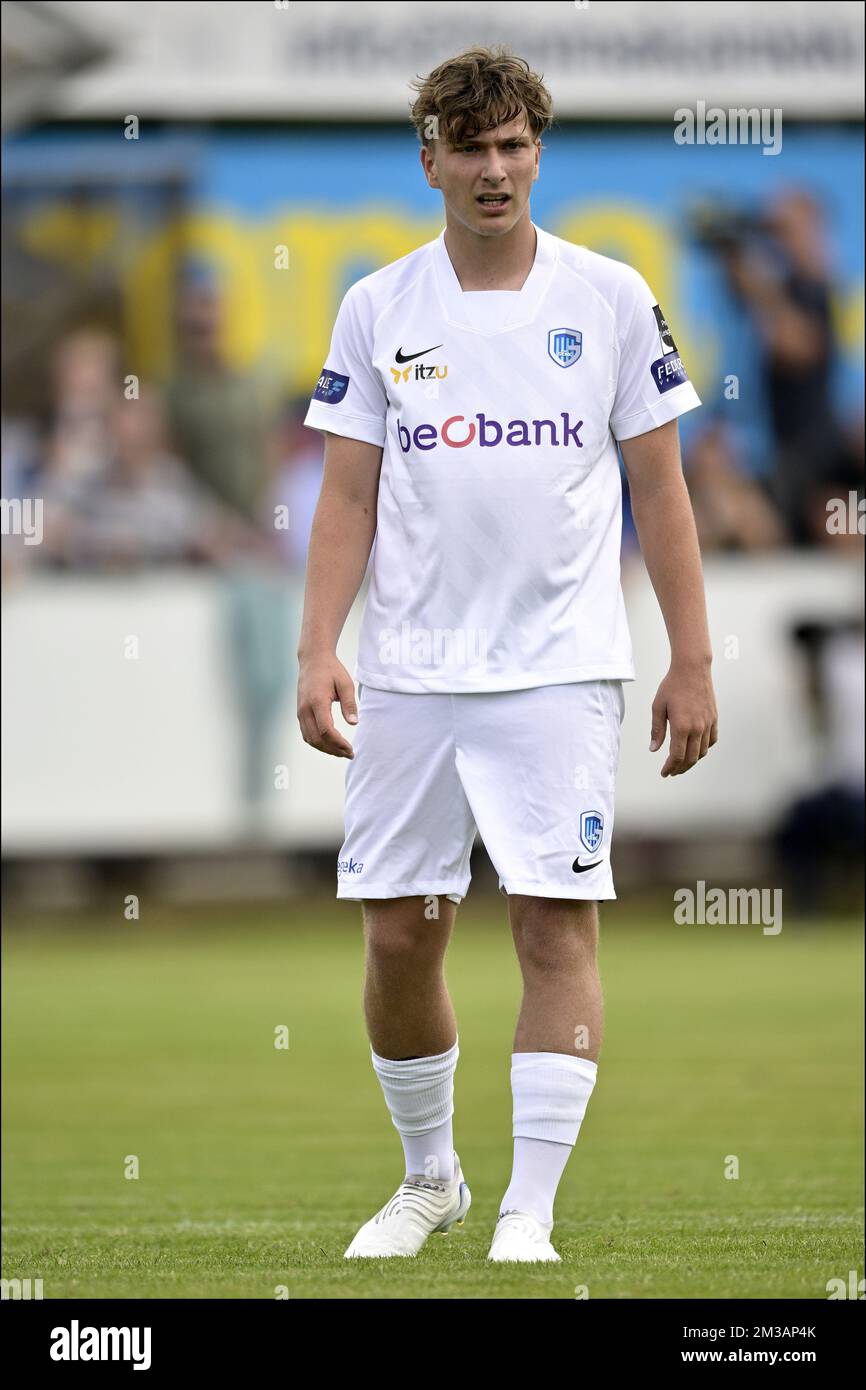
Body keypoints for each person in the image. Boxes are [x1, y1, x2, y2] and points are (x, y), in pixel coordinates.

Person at [297, 46, 718, 1265]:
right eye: (469, 147)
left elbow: (665, 499)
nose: (494, 169)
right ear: (428, 159)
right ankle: (430, 1179)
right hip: (413, 674)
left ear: (538, 151)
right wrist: (319, 648)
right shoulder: (379, 306)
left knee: (553, 925)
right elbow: (342, 505)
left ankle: (527, 1206)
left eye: (513, 144)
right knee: (397, 933)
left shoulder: (608, 296)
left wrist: (690, 659)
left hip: (557, 671)